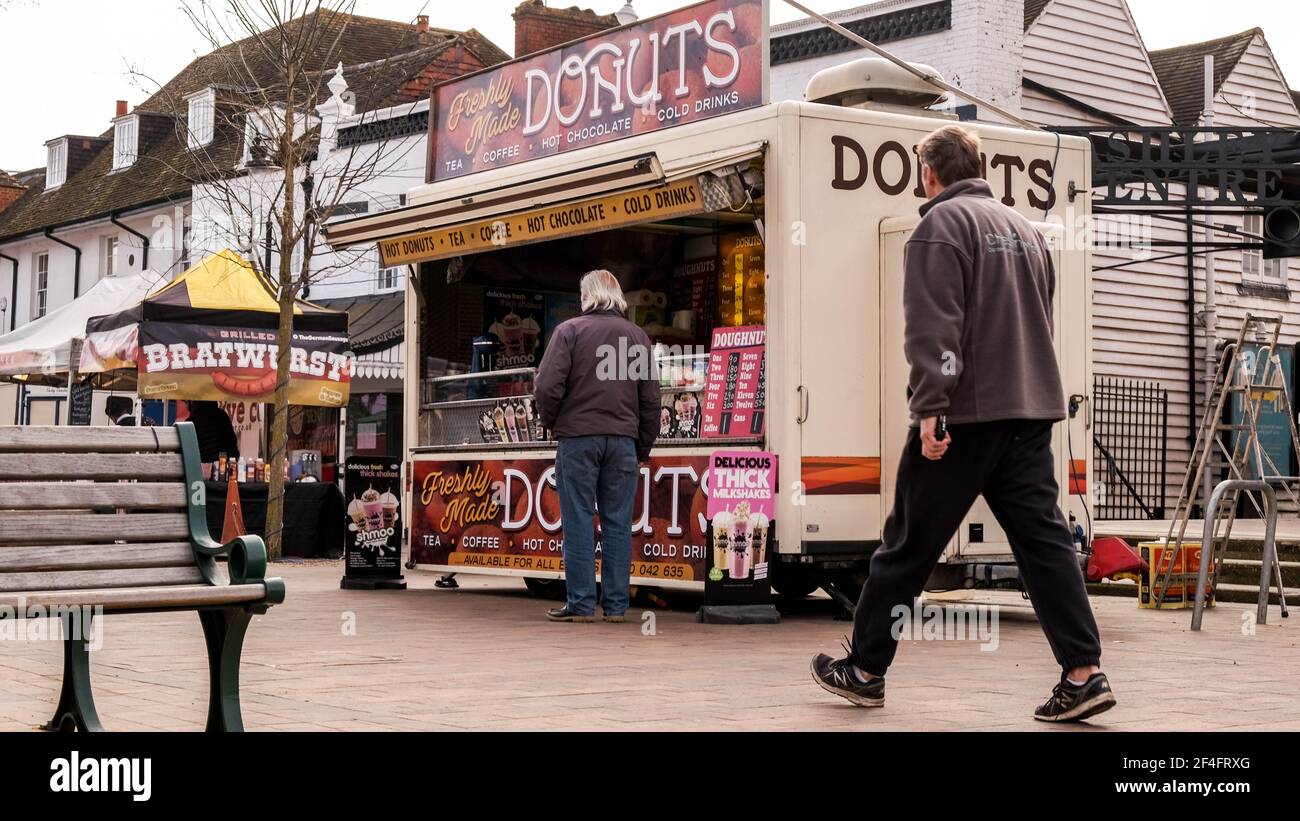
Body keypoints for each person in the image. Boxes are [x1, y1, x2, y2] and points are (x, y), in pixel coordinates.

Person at [810, 125, 1114, 723]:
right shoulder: (1027, 232)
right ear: (978, 168)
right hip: (1029, 413)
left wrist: (930, 408)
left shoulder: (939, 228)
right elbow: (1039, 321)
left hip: (965, 416)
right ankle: (1084, 672)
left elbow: (933, 329)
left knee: (907, 546)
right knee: (1045, 543)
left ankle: (866, 669)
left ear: (929, 174)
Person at [534, 270, 659, 623]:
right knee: (619, 524)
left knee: (579, 521)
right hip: (622, 443)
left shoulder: (569, 332)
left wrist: (552, 422)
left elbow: (546, 388)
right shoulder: (637, 337)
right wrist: (642, 449)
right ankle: (617, 607)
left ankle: (581, 604)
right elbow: (651, 400)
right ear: (617, 296)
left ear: (587, 296)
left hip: (578, 440)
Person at [184, 400, 240, 464]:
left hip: (206, 467)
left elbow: (187, 452)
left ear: (193, 403)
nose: (186, 406)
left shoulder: (191, 421)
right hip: (229, 464)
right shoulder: (222, 415)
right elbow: (233, 441)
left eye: (186, 402)